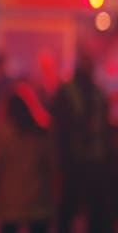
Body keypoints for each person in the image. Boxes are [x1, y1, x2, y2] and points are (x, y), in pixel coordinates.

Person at [50, 51, 112, 233]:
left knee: (73, 211)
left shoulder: (91, 92)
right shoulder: (90, 92)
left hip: (84, 161)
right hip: (81, 161)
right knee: (81, 210)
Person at [0, 83, 53, 233]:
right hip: (38, 201)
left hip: (9, 204)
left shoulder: (3, 133)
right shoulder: (42, 132)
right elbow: (52, 164)